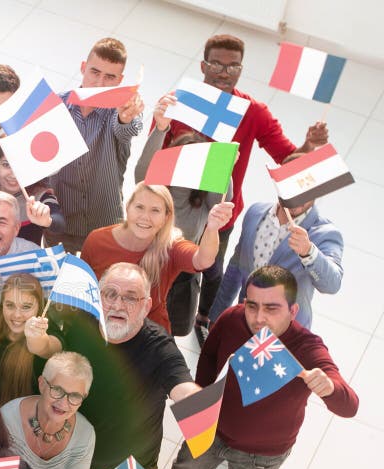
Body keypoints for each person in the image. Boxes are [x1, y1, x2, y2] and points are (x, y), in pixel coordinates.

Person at [154, 266, 358, 469]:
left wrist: (329, 387)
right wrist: (202, 394)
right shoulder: (232, 318)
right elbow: (210, 355)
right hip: (211, 428)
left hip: (262, 453)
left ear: (293, 309)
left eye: (271, 308)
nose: (258, 317)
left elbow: (349, 406)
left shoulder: (308, 347)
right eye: (252, 305)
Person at [161, 34, 330, 341]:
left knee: (213, 270)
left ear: (241, 69)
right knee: (174, 268)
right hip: (178, 209)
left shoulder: (252, 110)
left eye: (233, 66)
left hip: (222, 212)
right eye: (216, 64)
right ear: (203, 64)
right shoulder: (179, 102)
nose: (224, 72)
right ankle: (168, 317)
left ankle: (205, 318)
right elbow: (157, 157)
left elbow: (287, 160)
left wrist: (310, 145)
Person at [59, 263, 200, 469]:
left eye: (130, 297)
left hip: (129, 468)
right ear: (97, 296)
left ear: (147, 305)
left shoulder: (158, 345)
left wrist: (196, 400)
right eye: (110, 294)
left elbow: (182, 386)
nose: (117, 304)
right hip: (80, 457)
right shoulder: (80, 325)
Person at [134, 96, 234, 335]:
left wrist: (223, 168)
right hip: (148, 264)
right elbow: (141, 173)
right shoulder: (157, 190)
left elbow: (222, 201)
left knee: (170, 331)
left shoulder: (203, 198)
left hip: (181, 274)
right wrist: (160, 129)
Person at [81, 182, 233, 333]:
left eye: (155, 210)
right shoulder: (96, 240)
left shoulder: (170, 247)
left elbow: (203, 260)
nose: (145, 217)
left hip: (147, 334)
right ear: (127, 207)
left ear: (166, 217)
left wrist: (212, 228)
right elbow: (80, 289)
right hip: (101, 326)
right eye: (139, 207)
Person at [209, 163, 344, 329]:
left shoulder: (325, 234)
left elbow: (332, 284)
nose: (298, 199)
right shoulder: (255, 213)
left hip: (285, 332)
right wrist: (218, 315)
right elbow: (236, 268)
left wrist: (309, 252)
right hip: (247, 322)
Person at [49, 37, 145, 253]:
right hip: (59, 220)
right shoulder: (56, 106)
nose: (100, 83)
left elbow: (127, 129)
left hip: (103, 225)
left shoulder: (121, 111)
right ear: (83, 68)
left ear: (120, 80)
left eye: (109, 77)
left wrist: (126, 117)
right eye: (94, 72)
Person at [0, 273, 62, 405]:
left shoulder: (48, 329)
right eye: (10, 305)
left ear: (39, 307)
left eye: (26, 307)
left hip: (24, 417)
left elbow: (47, 348)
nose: (17, 315)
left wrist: (35, 337)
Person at [0, 143, 65, 245]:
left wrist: (47, 220)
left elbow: (59, 224)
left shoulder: (39, 197)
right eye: (6, 165)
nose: (13, 174)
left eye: (22, 166)